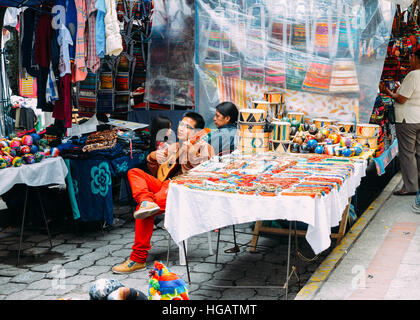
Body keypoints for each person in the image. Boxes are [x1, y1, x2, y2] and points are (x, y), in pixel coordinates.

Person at [112, 112, 215, 274]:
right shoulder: (177, 146)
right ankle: (146, 201)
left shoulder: (204, 148)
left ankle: (138, 259)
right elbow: (154, 165)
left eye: (187, 127)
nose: (181, 128)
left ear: (196, 132)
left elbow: (205, 174)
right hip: (167, 185)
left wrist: (190, 150)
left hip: (183, 192)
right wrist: (154, 156)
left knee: (144, 211)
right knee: (134, 172)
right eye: (181, 124)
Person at [385, 49, 420, 196]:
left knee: (407, 154)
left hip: (407, 120)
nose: (410, 59)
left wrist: (389, 92)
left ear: (416, 58)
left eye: (411, 56)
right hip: (417, 118)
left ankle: (410, 187)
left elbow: (402, 98)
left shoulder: (413, 75)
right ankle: (416, 182)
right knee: (418, 152)